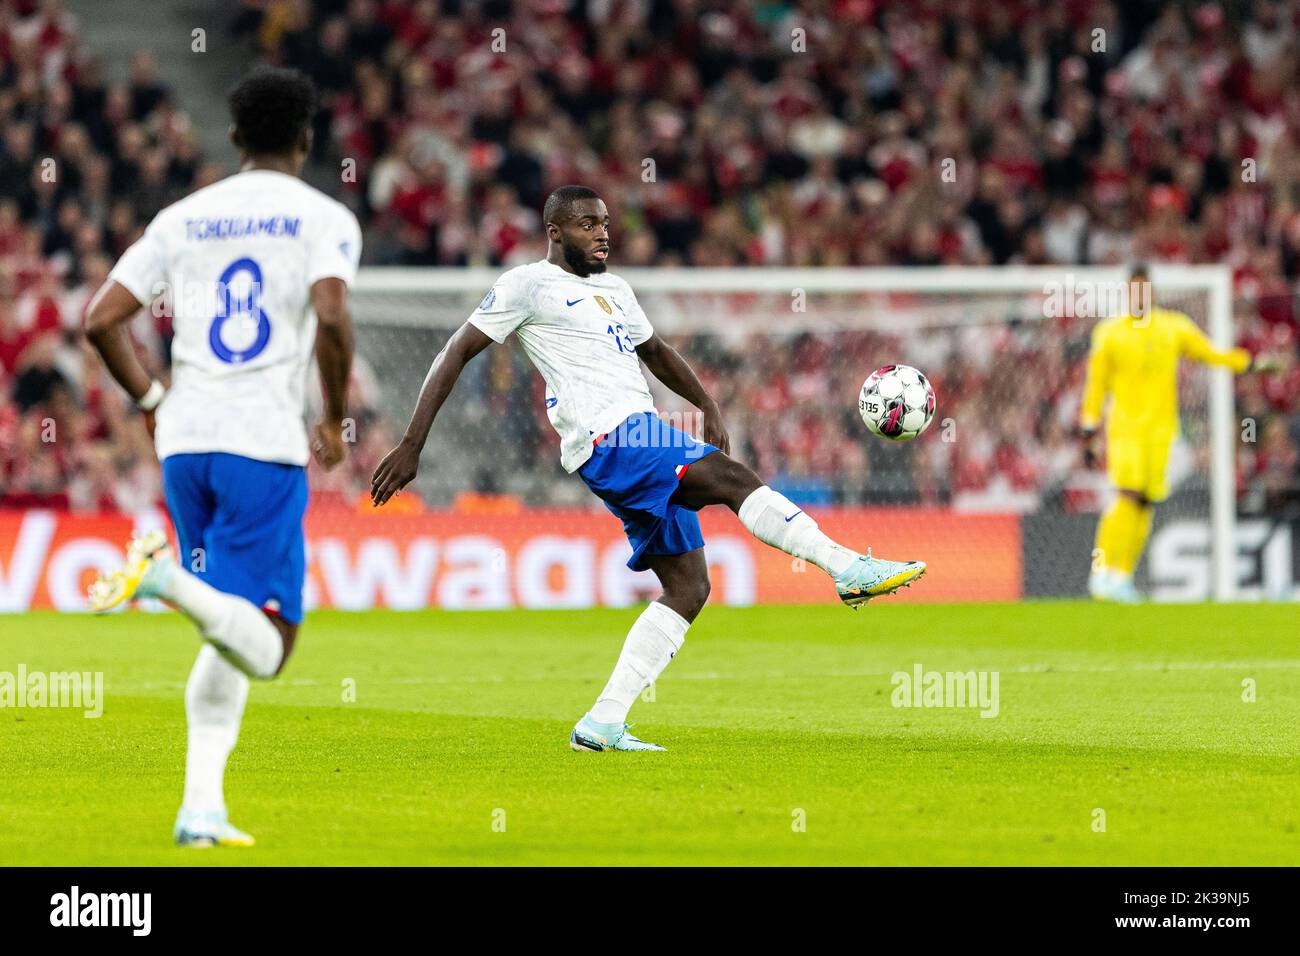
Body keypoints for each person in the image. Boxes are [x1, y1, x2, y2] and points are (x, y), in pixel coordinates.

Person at [370, 184, 925, 753]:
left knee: (689, 586)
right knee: (731, 480)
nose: (602, 232)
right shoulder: (527, 284)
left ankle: (603, 721)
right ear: (555, 232)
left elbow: (655, 352)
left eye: (605, 222)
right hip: (611, 435)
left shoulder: (615, 290)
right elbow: (454, 351)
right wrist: (413, 443)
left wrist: (705, 404)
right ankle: (845, 567)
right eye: (586, 224)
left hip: (636, 431)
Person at [83, 67, 361, 845]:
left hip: (184, 444)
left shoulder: (182, 217)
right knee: (270, 645)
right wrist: (335, 420)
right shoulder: (323, 216)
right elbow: (333, 315)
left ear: (234, 137)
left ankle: (200, 809)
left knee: (229, 627)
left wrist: (149, 400)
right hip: (260, 443)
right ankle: (161, 577)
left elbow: (101, 320)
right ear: (307, 139)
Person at [1080, 263, 1252, 602]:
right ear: (1127, 293)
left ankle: (1122, 576)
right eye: (1134, 289)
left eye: (1145, 288)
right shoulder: (1110, 332)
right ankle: (1100, 572)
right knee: (1126, 494)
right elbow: (1096, 385)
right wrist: (1088, 427)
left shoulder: (1173, 328)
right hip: (1125, 430)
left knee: (1145, 503)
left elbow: (1210, 353)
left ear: (1152, 292)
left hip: (1161, 433)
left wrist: (1246, 362)